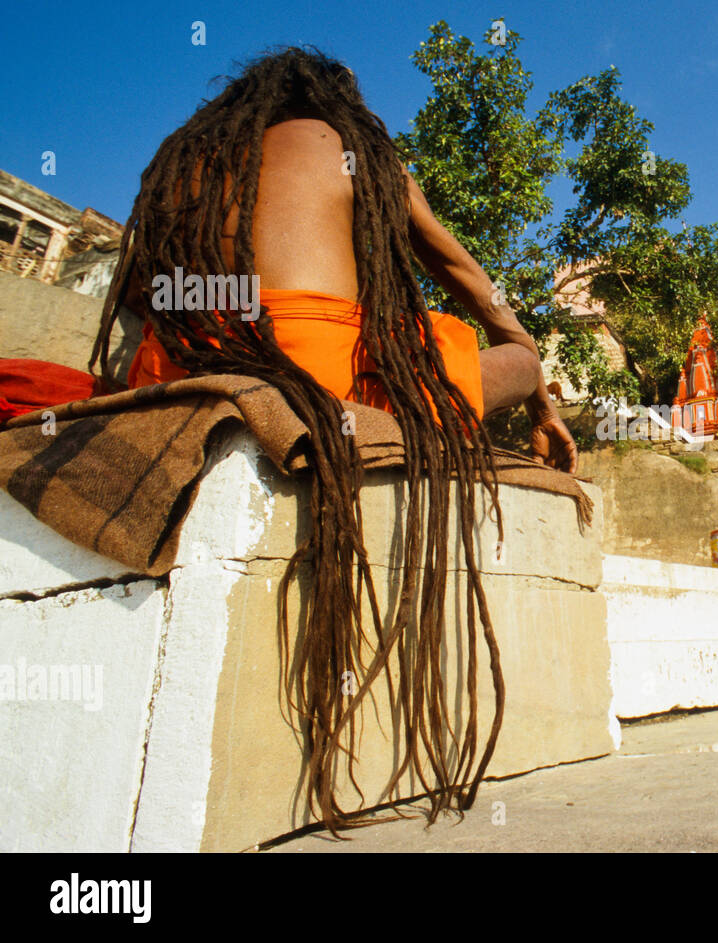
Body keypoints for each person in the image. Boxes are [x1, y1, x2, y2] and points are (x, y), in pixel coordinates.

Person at [91, 47, 577, 831]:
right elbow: (463, 271)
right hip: (316, 363)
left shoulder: (183, 161)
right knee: (518, 358)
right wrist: (543, 401)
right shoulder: (354, 149)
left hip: (182, 357)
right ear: (334, 100)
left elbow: (139, 297)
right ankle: (534, 392)